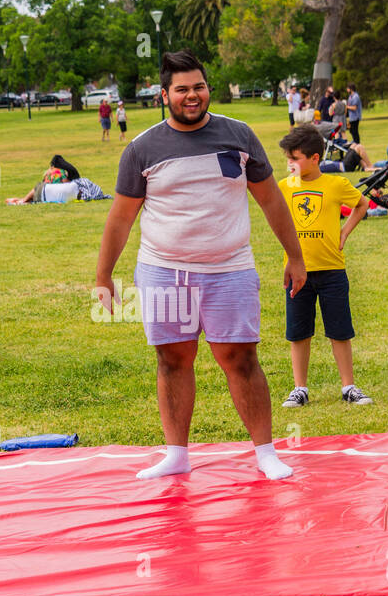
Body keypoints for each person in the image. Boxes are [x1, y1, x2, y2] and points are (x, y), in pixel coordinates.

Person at [95, 49, 307, 481]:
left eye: (199, 87)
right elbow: (121, 217)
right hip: (164, 270)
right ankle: (176, 453)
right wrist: (103, 276)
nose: (192, 96)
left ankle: (266, 452)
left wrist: (295, 254)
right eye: (182, 89)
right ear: (165, 94)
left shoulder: (240, 135)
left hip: (230, 268)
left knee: (241, 358)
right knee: (173, 360)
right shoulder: (142, 148)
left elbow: (271, 201)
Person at [276, 124, 373, 408]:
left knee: (339, 330)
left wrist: (344, 232)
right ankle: (299, 388)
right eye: (288, 159)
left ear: (315, 158)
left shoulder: (336, 184)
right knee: (298, 331)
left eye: (295, 158)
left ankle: (349, 386)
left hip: (332, 270)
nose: (290, 164)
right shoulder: (284, 187)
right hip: (297, 273)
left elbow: (362, 204)